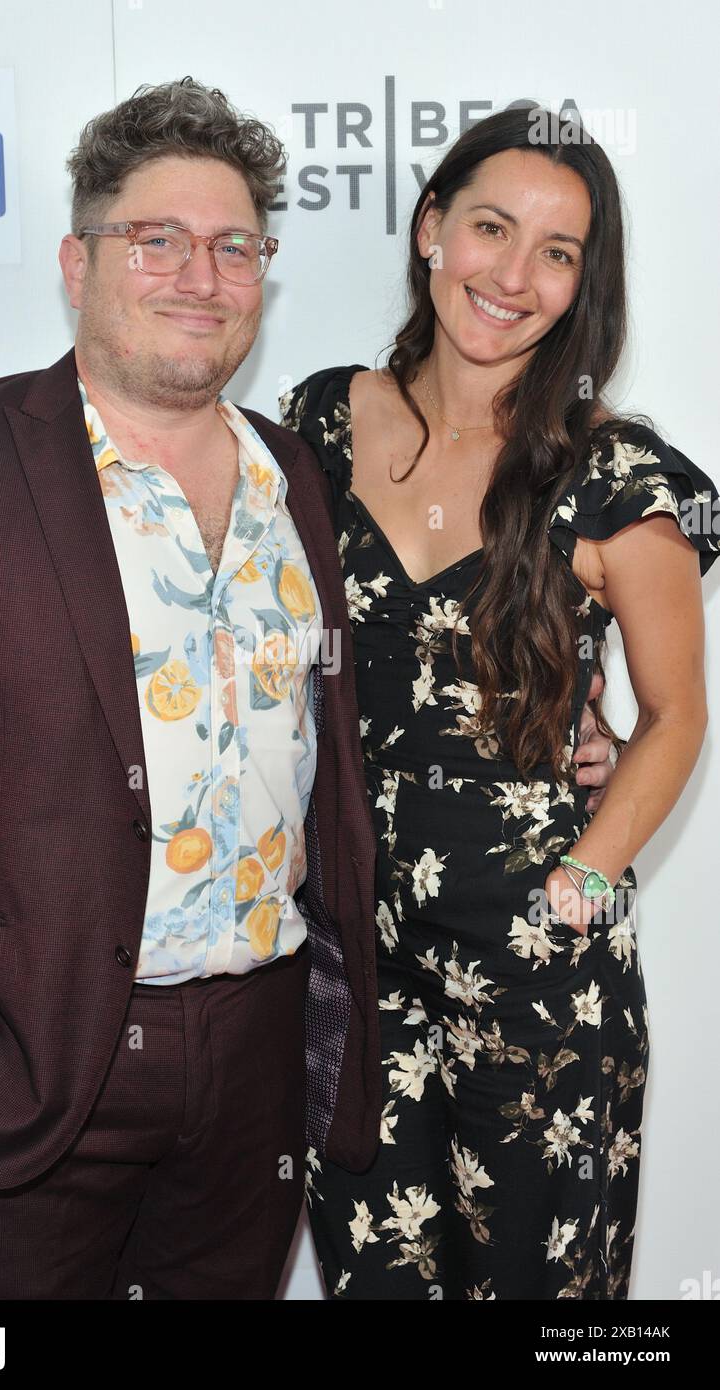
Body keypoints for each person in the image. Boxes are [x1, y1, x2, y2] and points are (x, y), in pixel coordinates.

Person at [0, 80, 615, 1301]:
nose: (196, 276)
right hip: (24, 1060)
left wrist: (573, 715)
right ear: (75, 259)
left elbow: (410, 671)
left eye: (232, 246)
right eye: (153, 239)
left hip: (258, 1069)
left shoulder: (296, 472)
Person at [280, 105, 718, 1299]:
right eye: (488, 227)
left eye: (558, 253)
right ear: (429, 228)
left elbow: (675, 715)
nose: (513, 277)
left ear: (584, 286)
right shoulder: (318, 422)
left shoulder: (615, 477)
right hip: (346, 963)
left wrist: (575, 888)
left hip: (539, 975)